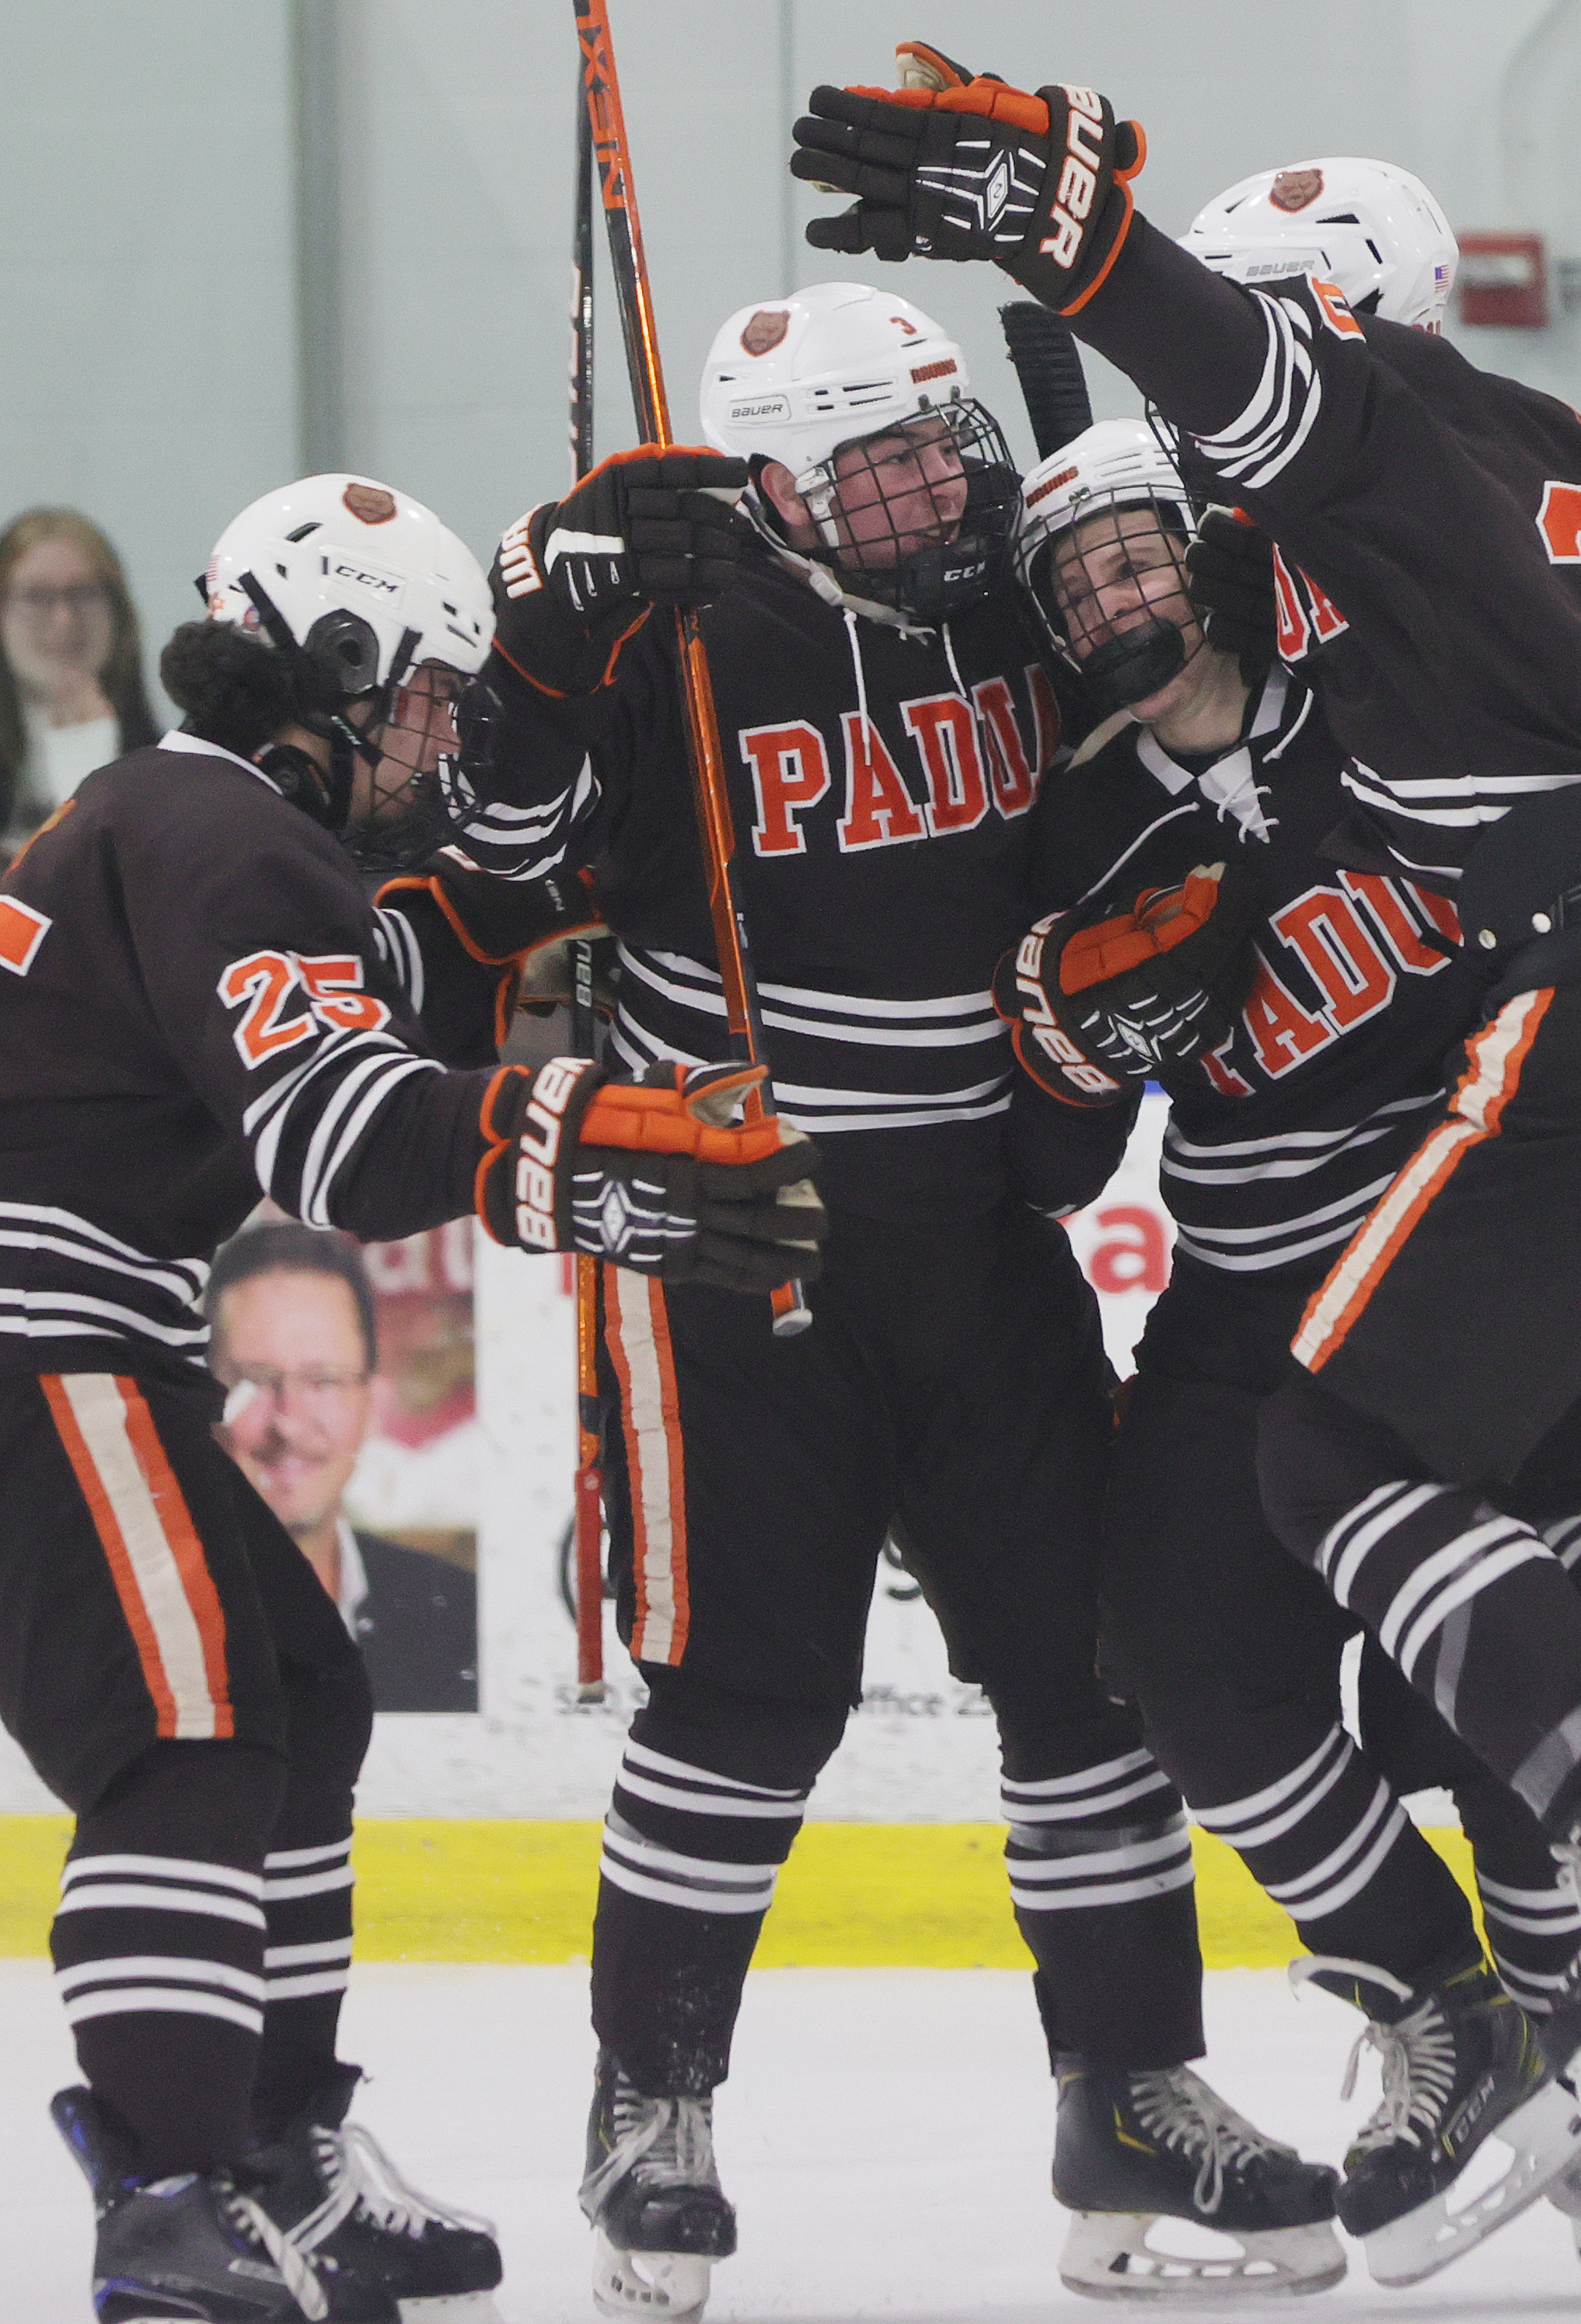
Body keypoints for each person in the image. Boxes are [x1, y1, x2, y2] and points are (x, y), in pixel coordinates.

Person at [794, 66, 1581, 2271]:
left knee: (1365, 1467)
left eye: (1169, 515)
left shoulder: (1366, 468)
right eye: (1102, 549)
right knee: (1480, 1512)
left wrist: (1069, 224)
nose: (1161, 538)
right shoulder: (1477, 526)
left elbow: (1232, 380)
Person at [461, 288, 1343, 2319]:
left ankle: (1129, 2083)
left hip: (975, 1237)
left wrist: (1109, 1001)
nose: (941, 487)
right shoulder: (686, 634)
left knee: (1088, 1667)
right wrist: (548, 619)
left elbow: (1141, 816)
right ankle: (649, 2100)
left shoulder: (1015, 619)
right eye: (885, 463)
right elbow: (496, 858)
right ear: (779, 487)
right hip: (737, 1245)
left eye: (948, 441)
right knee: (752, 1696)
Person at [0, 469, 823, 2324]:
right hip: (29, 1333)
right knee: (193, 1731)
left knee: (298, 1688)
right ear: (341, 666)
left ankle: (277, 2145)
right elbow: (348, 1132)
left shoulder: (195, 826)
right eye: (437, 696)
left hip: (68, 1326)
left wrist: (575, 854)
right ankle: (170, 2193)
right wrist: (590, 1137)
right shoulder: (222, 836)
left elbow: (407, 966)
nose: (446, 742)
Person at [208, 1222, 480, 1713]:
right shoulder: (127, 1621)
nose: (288, 1424)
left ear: (370, 1401)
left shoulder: (463, 1617)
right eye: (254, 1381)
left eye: (324, 1381)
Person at [0, 506, 160, 854]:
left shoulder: (165, 765)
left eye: (83, 594)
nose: (64, 621)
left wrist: (88, 756)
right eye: (36, 597)